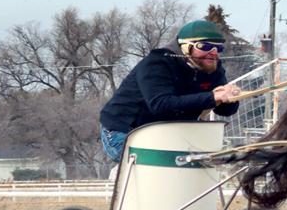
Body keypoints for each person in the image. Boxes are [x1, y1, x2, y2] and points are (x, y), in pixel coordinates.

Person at [99, 20, 244, 162]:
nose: (213, 53)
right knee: (156, 166)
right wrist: (213, 97)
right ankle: (121, 176)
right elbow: (160, 104)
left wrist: (231, 97)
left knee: (193, 165)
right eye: (205, 46)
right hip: (125, 130)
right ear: (186, 47)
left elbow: (225, 111)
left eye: (218, 48)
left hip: (169, 131)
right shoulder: (157, 63)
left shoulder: (213, 67)